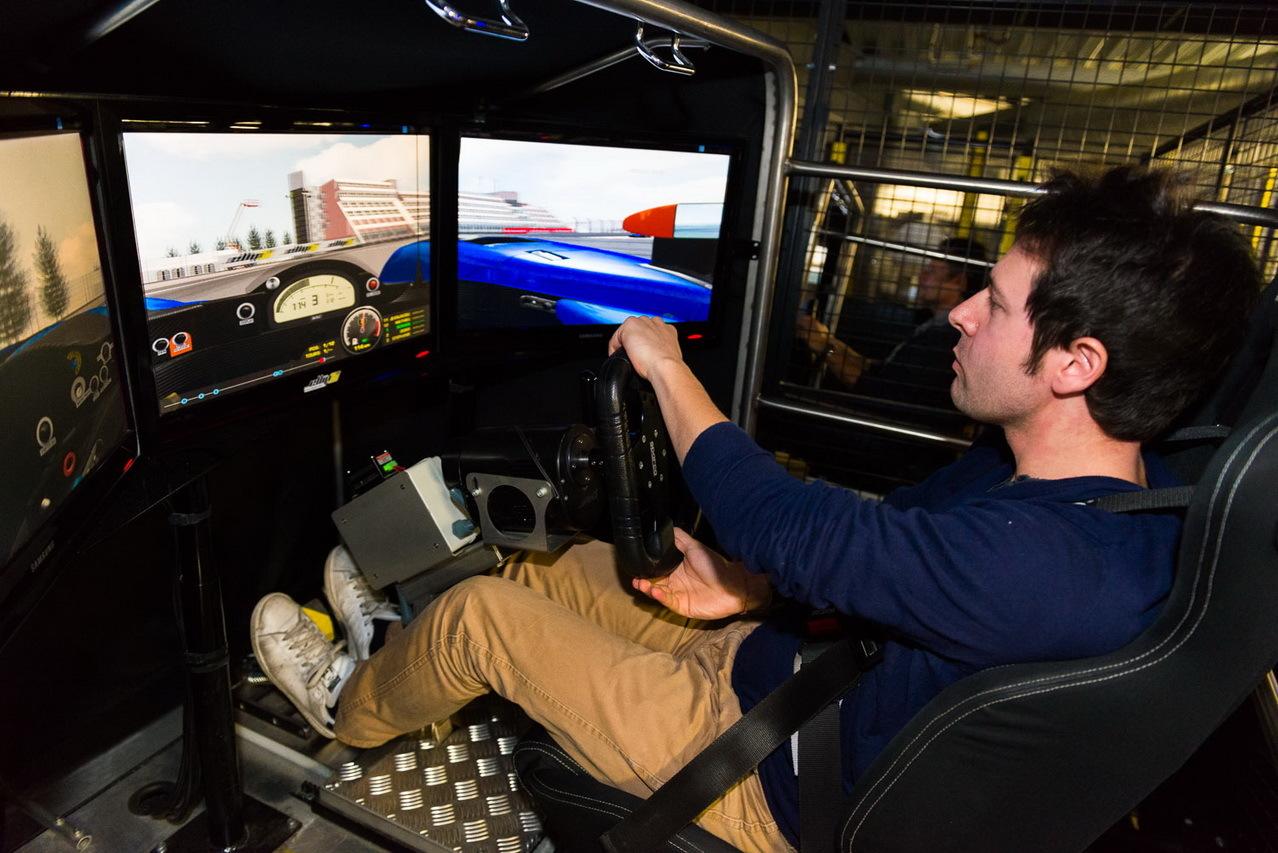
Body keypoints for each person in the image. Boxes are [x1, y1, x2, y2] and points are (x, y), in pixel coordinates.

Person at [251, 166, 1259, 853]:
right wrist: (746, 589)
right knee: (561, 565)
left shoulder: (1048, 566)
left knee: (481, 618)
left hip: (764, 765)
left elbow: (790, 523)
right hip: (779, 668)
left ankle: (348, 705)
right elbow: (868, 552)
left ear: (1077, 364)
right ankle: (396, 644)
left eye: (992, 304)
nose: (956, 310)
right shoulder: (1055, 484)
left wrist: (664, 367)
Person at [796, 236, 988, 403]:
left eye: (931, 271)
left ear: (959, 282)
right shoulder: (935, 324)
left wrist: (825, 348)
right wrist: (828, 340)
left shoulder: (947, 339)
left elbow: (882, 392)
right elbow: (881, 371)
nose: (920, 276)